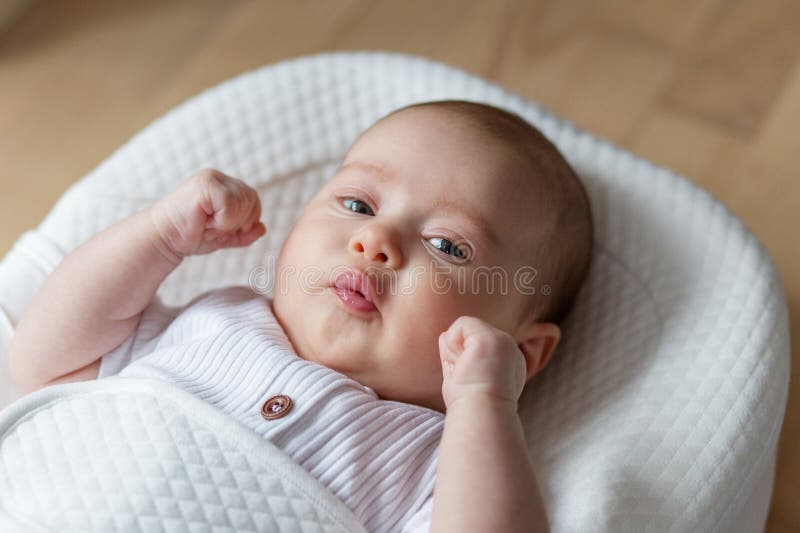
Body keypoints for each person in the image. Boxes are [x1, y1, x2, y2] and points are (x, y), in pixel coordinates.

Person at [8, 100, 594, 532]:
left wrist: (485, 405)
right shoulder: (214, 322)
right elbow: (46, 362)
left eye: (448, 246)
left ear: (521, 352)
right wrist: (160, 237)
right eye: (358, 204)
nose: (375, 239)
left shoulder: (437, 460)